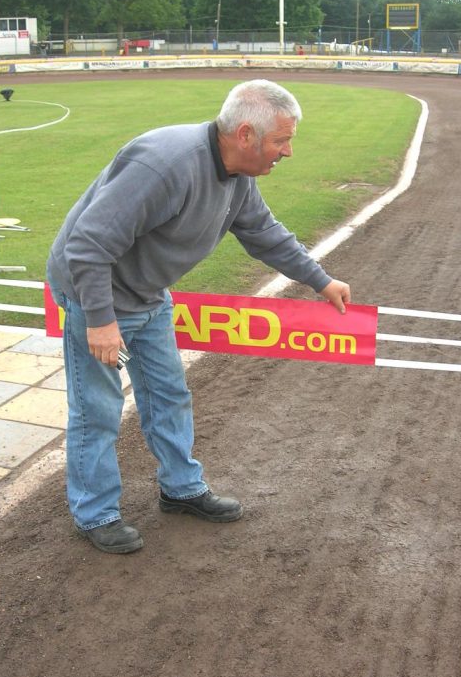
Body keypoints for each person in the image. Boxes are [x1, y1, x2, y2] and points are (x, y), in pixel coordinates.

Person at [47, 79, 351, 555]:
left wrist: (319, 279)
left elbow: (263, 233)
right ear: (246, 135)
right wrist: (100, 321)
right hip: (97, 293)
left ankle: (181, 489)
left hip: (147, 293)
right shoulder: (165, 164)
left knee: (169, 393)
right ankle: (96, 512)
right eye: (282, 140)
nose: (287, 151)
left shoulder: (237, 175)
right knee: (98, 411)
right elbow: (87, 245)